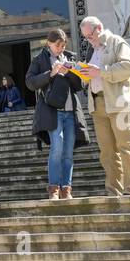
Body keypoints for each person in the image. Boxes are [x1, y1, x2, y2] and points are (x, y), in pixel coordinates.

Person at [79, 15, 130, 196]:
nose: (88, 39)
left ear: (99, 28)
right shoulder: (93, 50)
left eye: (90, 35)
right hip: (97, 104)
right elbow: (93, 75)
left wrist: (101, 71)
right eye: (85, 37)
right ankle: (113, 190)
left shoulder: (117, 42)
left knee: (126, 146)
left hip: (119, 103)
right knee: (107, 151)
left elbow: (127, 67)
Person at [25, 29, 90, 200]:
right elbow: (30, 82)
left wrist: (70, 74)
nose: (60, 48)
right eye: (57, 45)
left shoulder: (71, 58)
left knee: (68, 152)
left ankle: (66, 189)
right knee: (57, 149)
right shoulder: (39, 60)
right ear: (49, 43)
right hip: (52, 112)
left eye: (63, 45)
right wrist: (50, 74)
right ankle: (53, 188)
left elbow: (81, 85)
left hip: (71, 112)